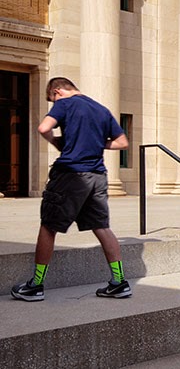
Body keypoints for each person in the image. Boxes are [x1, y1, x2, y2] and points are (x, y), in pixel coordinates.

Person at [10, 77, 132, 301]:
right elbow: (122, 142)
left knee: (49, 226)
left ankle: (36, 285)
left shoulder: (65, 103)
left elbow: (43, 127)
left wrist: (55, 141)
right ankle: (119, 282)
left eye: (52, 99)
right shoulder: (101, 109)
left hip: (71, 174)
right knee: (102, 227)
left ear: (57, 91)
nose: (53, 103)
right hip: (97, 176)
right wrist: (98, 143)